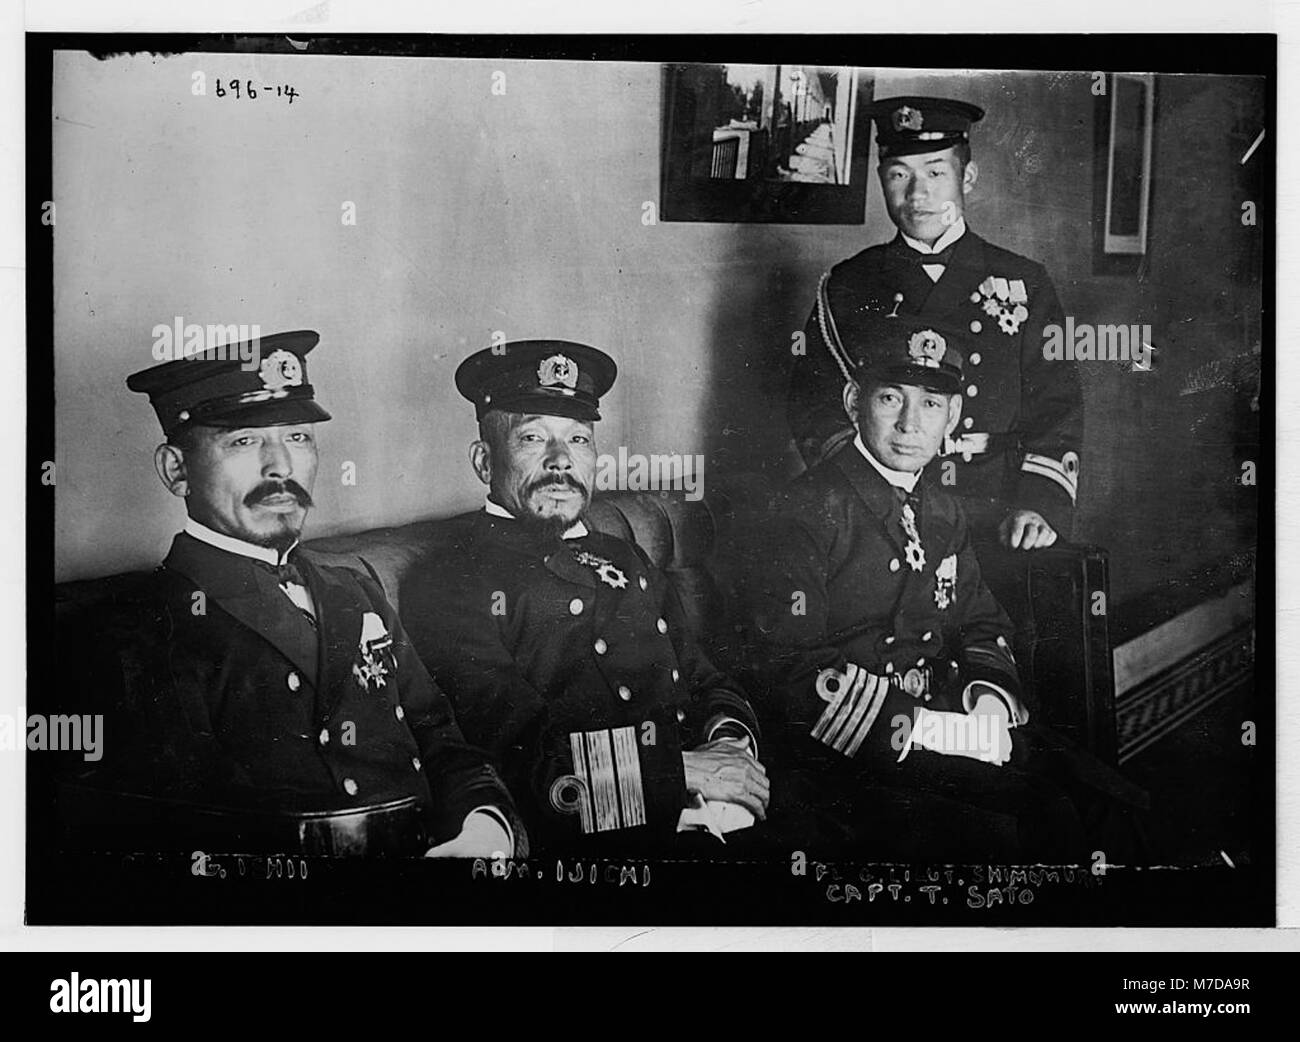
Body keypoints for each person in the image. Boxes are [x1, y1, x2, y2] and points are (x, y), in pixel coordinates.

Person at [83, 330, 522, 857]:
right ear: (176, 469)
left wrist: (484, 826)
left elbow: (438, 734)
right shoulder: (139, 632)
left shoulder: (353, 587)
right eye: (244, 441)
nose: (281, 469)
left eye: (297, 438)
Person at [750, 314, 1144, 860]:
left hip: (951, 719)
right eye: (890, 399)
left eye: (931, 404)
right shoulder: (805, 509)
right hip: (852, 756)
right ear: (852, 402)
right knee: (1043, 819)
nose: (910, 424)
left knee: (1110, 798)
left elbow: (983, 622)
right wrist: (926, 730)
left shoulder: (941, 509)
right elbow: (786, 671)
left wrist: (986, 700)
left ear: (952, 416)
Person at [401, 340, 769, 854]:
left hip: (721, 810)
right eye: (532, 438)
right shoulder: (451, 581)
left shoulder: (625, 556)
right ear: (485, 462)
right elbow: (518, 762)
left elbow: (705, 677)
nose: (560, 460)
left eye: (578, 438)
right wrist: (681, 772)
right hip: (604, 841)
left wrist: (731, 744)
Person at [788, 95, 1082, 552]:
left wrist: (1039, 504)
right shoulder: (849, 283)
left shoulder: (1025, 282)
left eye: (935, 173)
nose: (917, 194)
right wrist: (865, 486)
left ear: (967, 176)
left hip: (997, 510)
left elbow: (1057, 404)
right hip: (877, 511)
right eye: (898, 174)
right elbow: (814, 399)